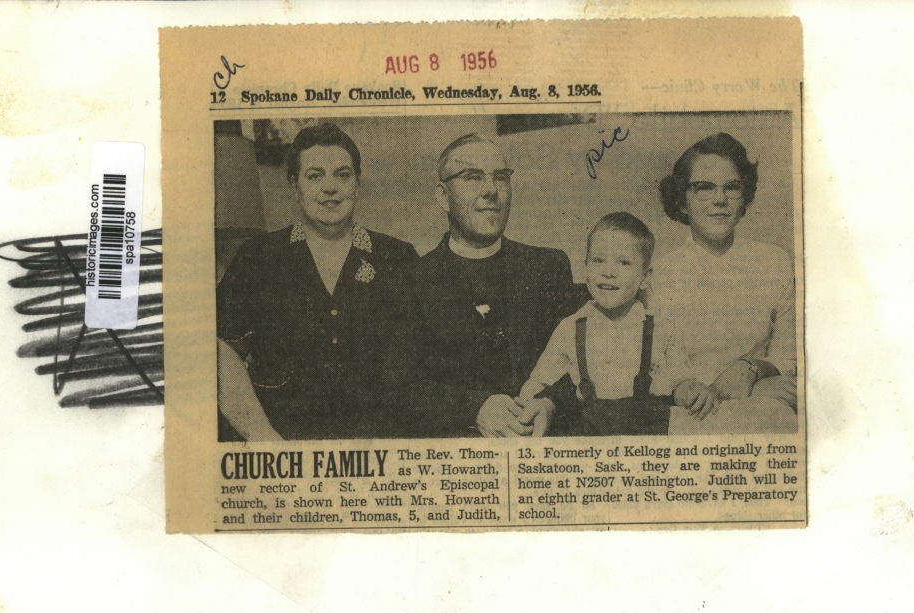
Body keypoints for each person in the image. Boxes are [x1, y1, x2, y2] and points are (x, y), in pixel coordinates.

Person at [216, 123, 417, 440]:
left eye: (342, 174)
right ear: (295, 187)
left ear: (357, 184)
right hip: (282, 444)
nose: (330, 187)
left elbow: (422, 364)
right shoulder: (259, 257)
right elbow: (221, 347)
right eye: (315, 176)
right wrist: (262, 438)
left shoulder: (398, 258)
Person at [387, 133, 583, 438]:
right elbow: (399, 387)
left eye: (501, 178)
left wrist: (550, 405)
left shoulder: (548, 267)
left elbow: (583, 362)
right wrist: (474, 408)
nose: (490, 190)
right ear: (442, 196)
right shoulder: (410, 280)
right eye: (473, 177)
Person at [652, 132, 798, 433]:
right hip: (689, 415)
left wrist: (752, 370)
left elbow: (787, 356)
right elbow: (664, 371)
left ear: (744, 197)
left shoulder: (775, 262)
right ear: (681, 201)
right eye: (704, 188)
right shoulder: (658, 276)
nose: (720, 199)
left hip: (764, 404)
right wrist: (739, 388)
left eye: (732, 187)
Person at [518, 213, 672, 436]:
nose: (608, 272)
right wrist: (526, 404)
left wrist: (690, 389)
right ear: (585, 267)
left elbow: (680, 381)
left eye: (624, 262)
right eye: (598, 260)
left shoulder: (661, 329)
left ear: (645, 277)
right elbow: (540, 380)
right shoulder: (570, 328)